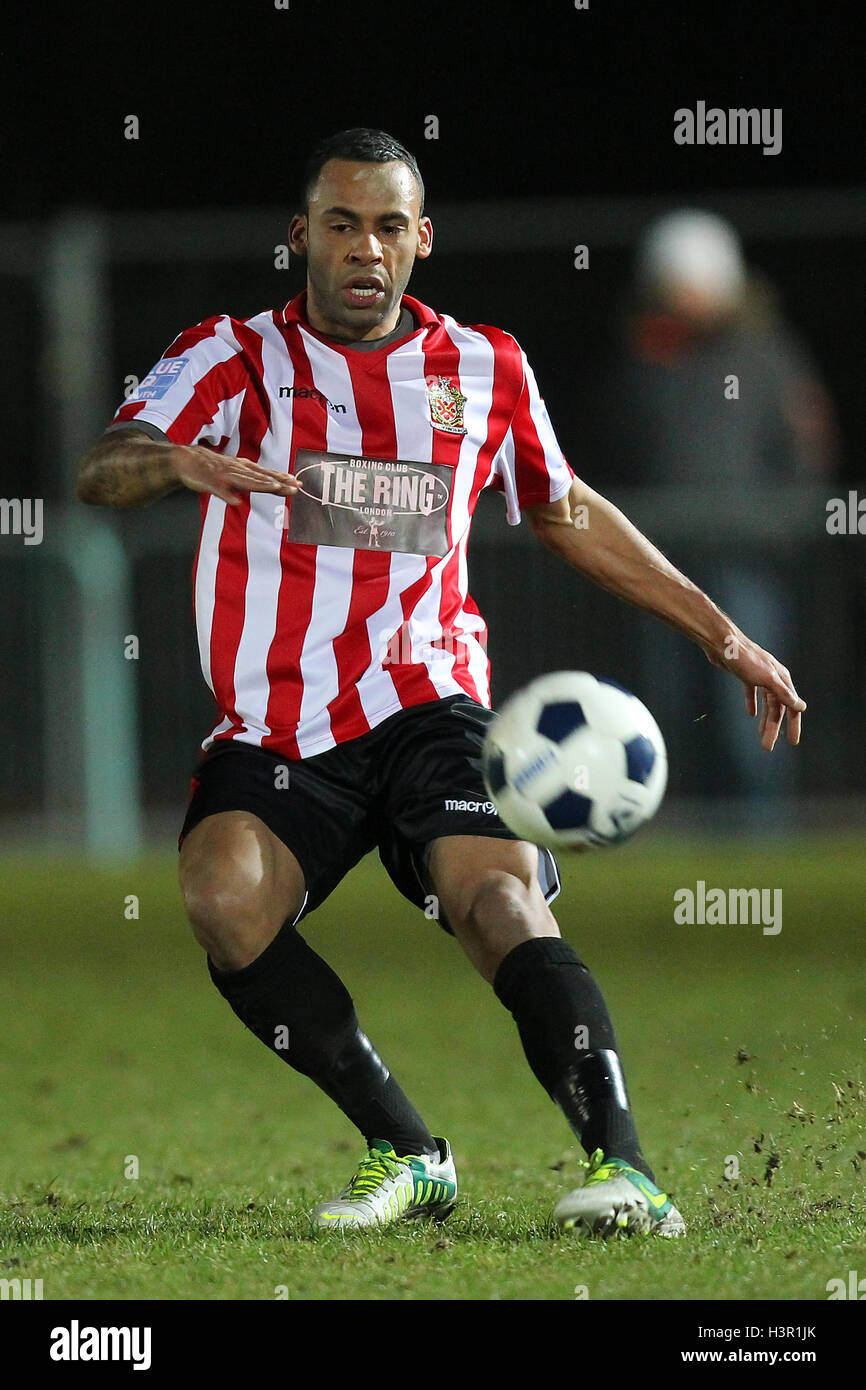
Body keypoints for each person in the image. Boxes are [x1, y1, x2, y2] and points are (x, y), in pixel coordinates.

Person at [76, 130, 805, 1238]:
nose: (362, 248)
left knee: (497, 900)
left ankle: (626, 1167)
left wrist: (720, 633)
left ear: (419, 241)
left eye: (384, 226)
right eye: (338, 224)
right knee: (221, 896)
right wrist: (175, 460)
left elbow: (561, 508)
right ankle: (407, 1149)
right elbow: (103, 465)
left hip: (431, 704)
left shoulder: (484, 366)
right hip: (279, 726)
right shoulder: (228, 358)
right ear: (299, 239)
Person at [583, 209, 835, 828]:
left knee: (745, 717)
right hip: (663, 566)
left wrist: (774, 532)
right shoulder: (643, 358)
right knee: (664, 711)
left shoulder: (768, 356)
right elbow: (612, 450)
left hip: (744, 563)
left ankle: (758, 846)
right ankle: (668, 845)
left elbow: (805, 455)